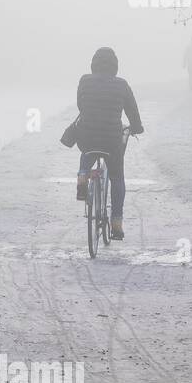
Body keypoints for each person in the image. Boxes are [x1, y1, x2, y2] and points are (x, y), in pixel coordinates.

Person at [75, 47, 144, 240]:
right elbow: (132, 112)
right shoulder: (122, 85)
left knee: (87, 150)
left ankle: (82, 176)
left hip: (88, 135)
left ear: (93, 65)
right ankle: (116, 223)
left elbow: (81, 105)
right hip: (112, 140)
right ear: (115, 66)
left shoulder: (84, 80)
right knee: (117, 177)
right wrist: (136, 127)